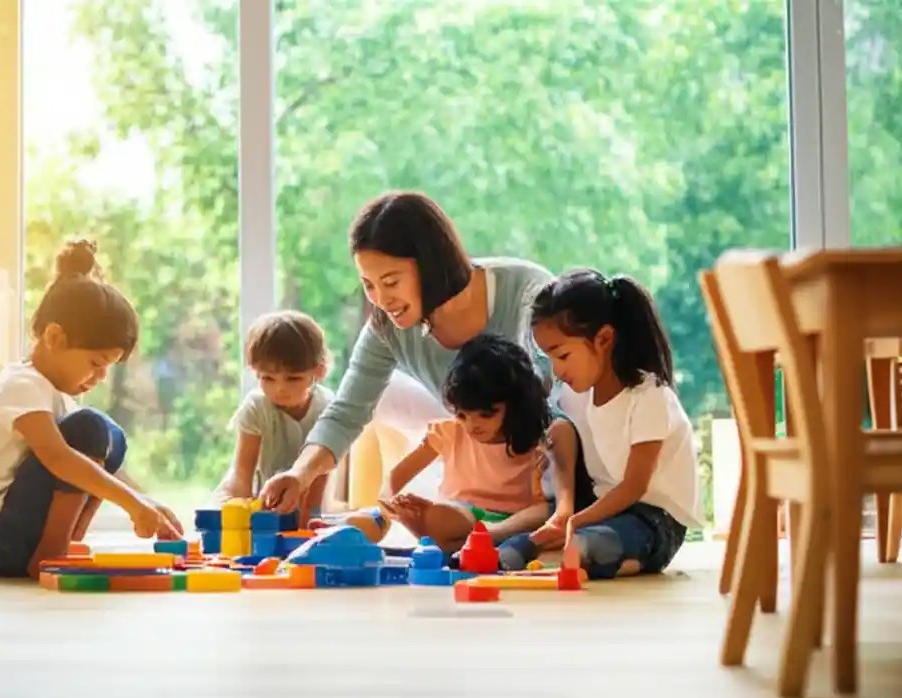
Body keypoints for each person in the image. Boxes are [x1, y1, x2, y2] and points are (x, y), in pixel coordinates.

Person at [258, 190, 555, 513]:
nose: (381, 300)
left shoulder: (528, 293)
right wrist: (299, 474)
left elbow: (560, 395)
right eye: (368, 285)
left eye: (390, 282)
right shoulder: (388, 326)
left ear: (430, 266)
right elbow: (346, 411)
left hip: (546, 462)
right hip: (475, 461)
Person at [0, 239, 182, 579]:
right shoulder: (21, 385)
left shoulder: (53, 393)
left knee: (112, 438)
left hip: (15, 529)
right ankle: (51, 553)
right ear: (54, 338)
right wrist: (132, 506)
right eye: (95, 363)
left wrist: (146, 502)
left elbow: (94, 467)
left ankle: (66, 542)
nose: (101, 378)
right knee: (89, 429)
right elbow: (58, 458)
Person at [497, 269, 701, 578]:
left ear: (604, 339)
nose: (557, 370)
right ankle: (526, 550)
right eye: (549, 358)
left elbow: (634, 487)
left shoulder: (650, 397)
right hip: (602, 506)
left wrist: (577, 521)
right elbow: (558, 433)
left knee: (608, 536)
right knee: (545, 527)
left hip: (654, 517)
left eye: (563, 355)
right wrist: (565, 513)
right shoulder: (575, 396)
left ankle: (584, 552)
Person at [314, 334, 559, 554]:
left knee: (539, 515)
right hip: (459, 515)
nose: (472, 425)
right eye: (462, 415)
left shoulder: (534, 441)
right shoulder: (450, 432)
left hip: (511, 523)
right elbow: (397, 476)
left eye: (485, 415)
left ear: (515, 405)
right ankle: (338, 534)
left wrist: (496, 530)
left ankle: (467, 539)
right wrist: (392, 506)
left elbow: (541, 508)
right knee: (441, 516)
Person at [210, 310, 334, 516]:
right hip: (263, 502)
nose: (280, 389)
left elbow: (321, 474)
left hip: (310, 503)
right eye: (268, 378)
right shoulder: (256, 407)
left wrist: (309, 518)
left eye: (293, 378)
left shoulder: (327, 407)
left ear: (319, 372)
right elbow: (242, 473)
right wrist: (241, 513)